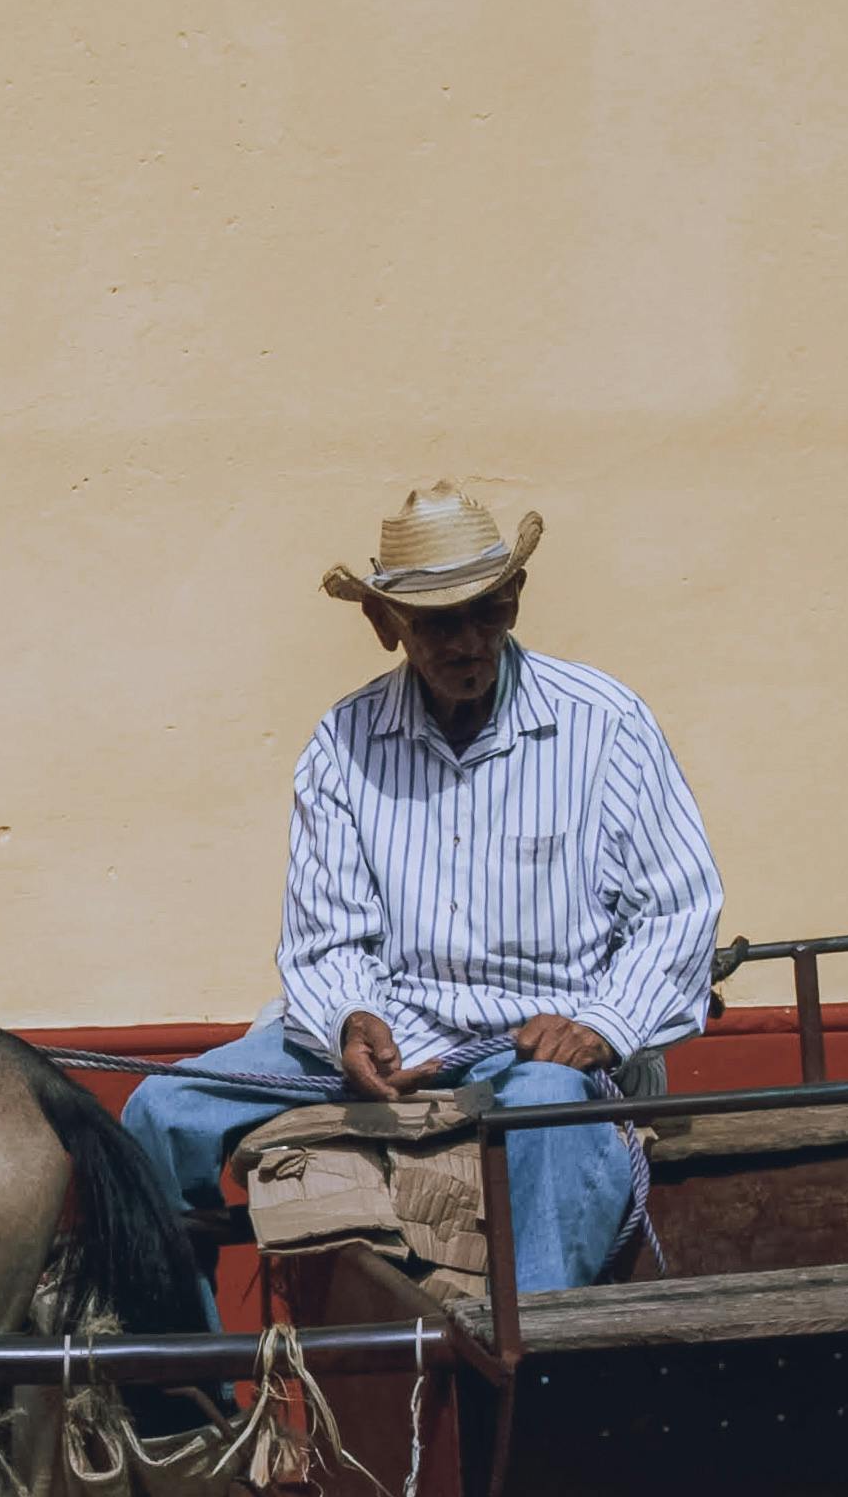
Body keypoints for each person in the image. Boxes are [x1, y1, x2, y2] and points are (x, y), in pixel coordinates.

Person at [121, 485, 724, 1292]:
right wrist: (348, 1019)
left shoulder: (605, 724)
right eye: (439, 623)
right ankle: (194, 1407)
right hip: (397, 1041)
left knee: (545, 1113)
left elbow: (677, 911)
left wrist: (602, 1024)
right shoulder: (343, 742)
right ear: (386, 626)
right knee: (160, 1115)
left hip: (538, 1051)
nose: (470, 642)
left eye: (488, 612)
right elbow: (325, 938)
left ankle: (525, 1375)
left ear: (514, 599)